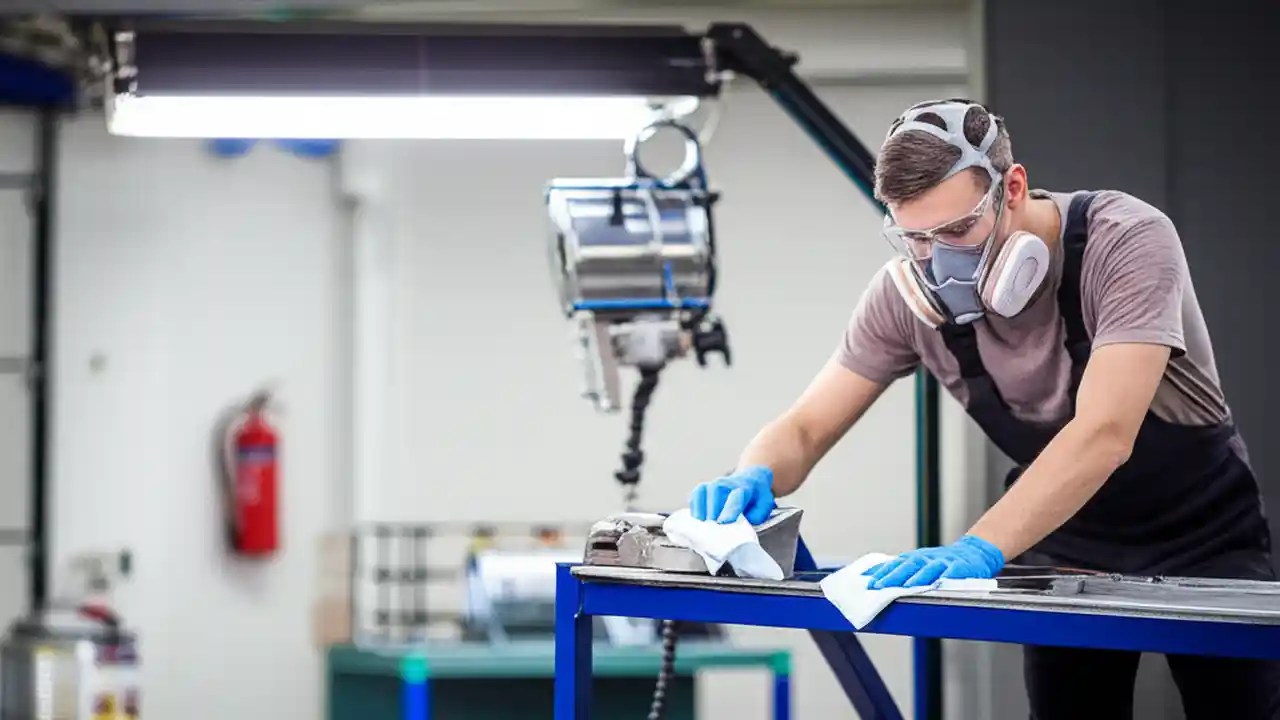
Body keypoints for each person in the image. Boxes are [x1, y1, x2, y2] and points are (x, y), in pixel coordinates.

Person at [686, 98, 1280, 719]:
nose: (939, 260)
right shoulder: (905, 298)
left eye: (957, 229)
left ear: (1012, 187)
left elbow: (1104, 434)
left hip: (1205, 534)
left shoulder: (1125, 240)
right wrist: (750, 473)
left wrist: (977, 548)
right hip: (1060, 540)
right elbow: (806, 427)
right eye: (914, 236)